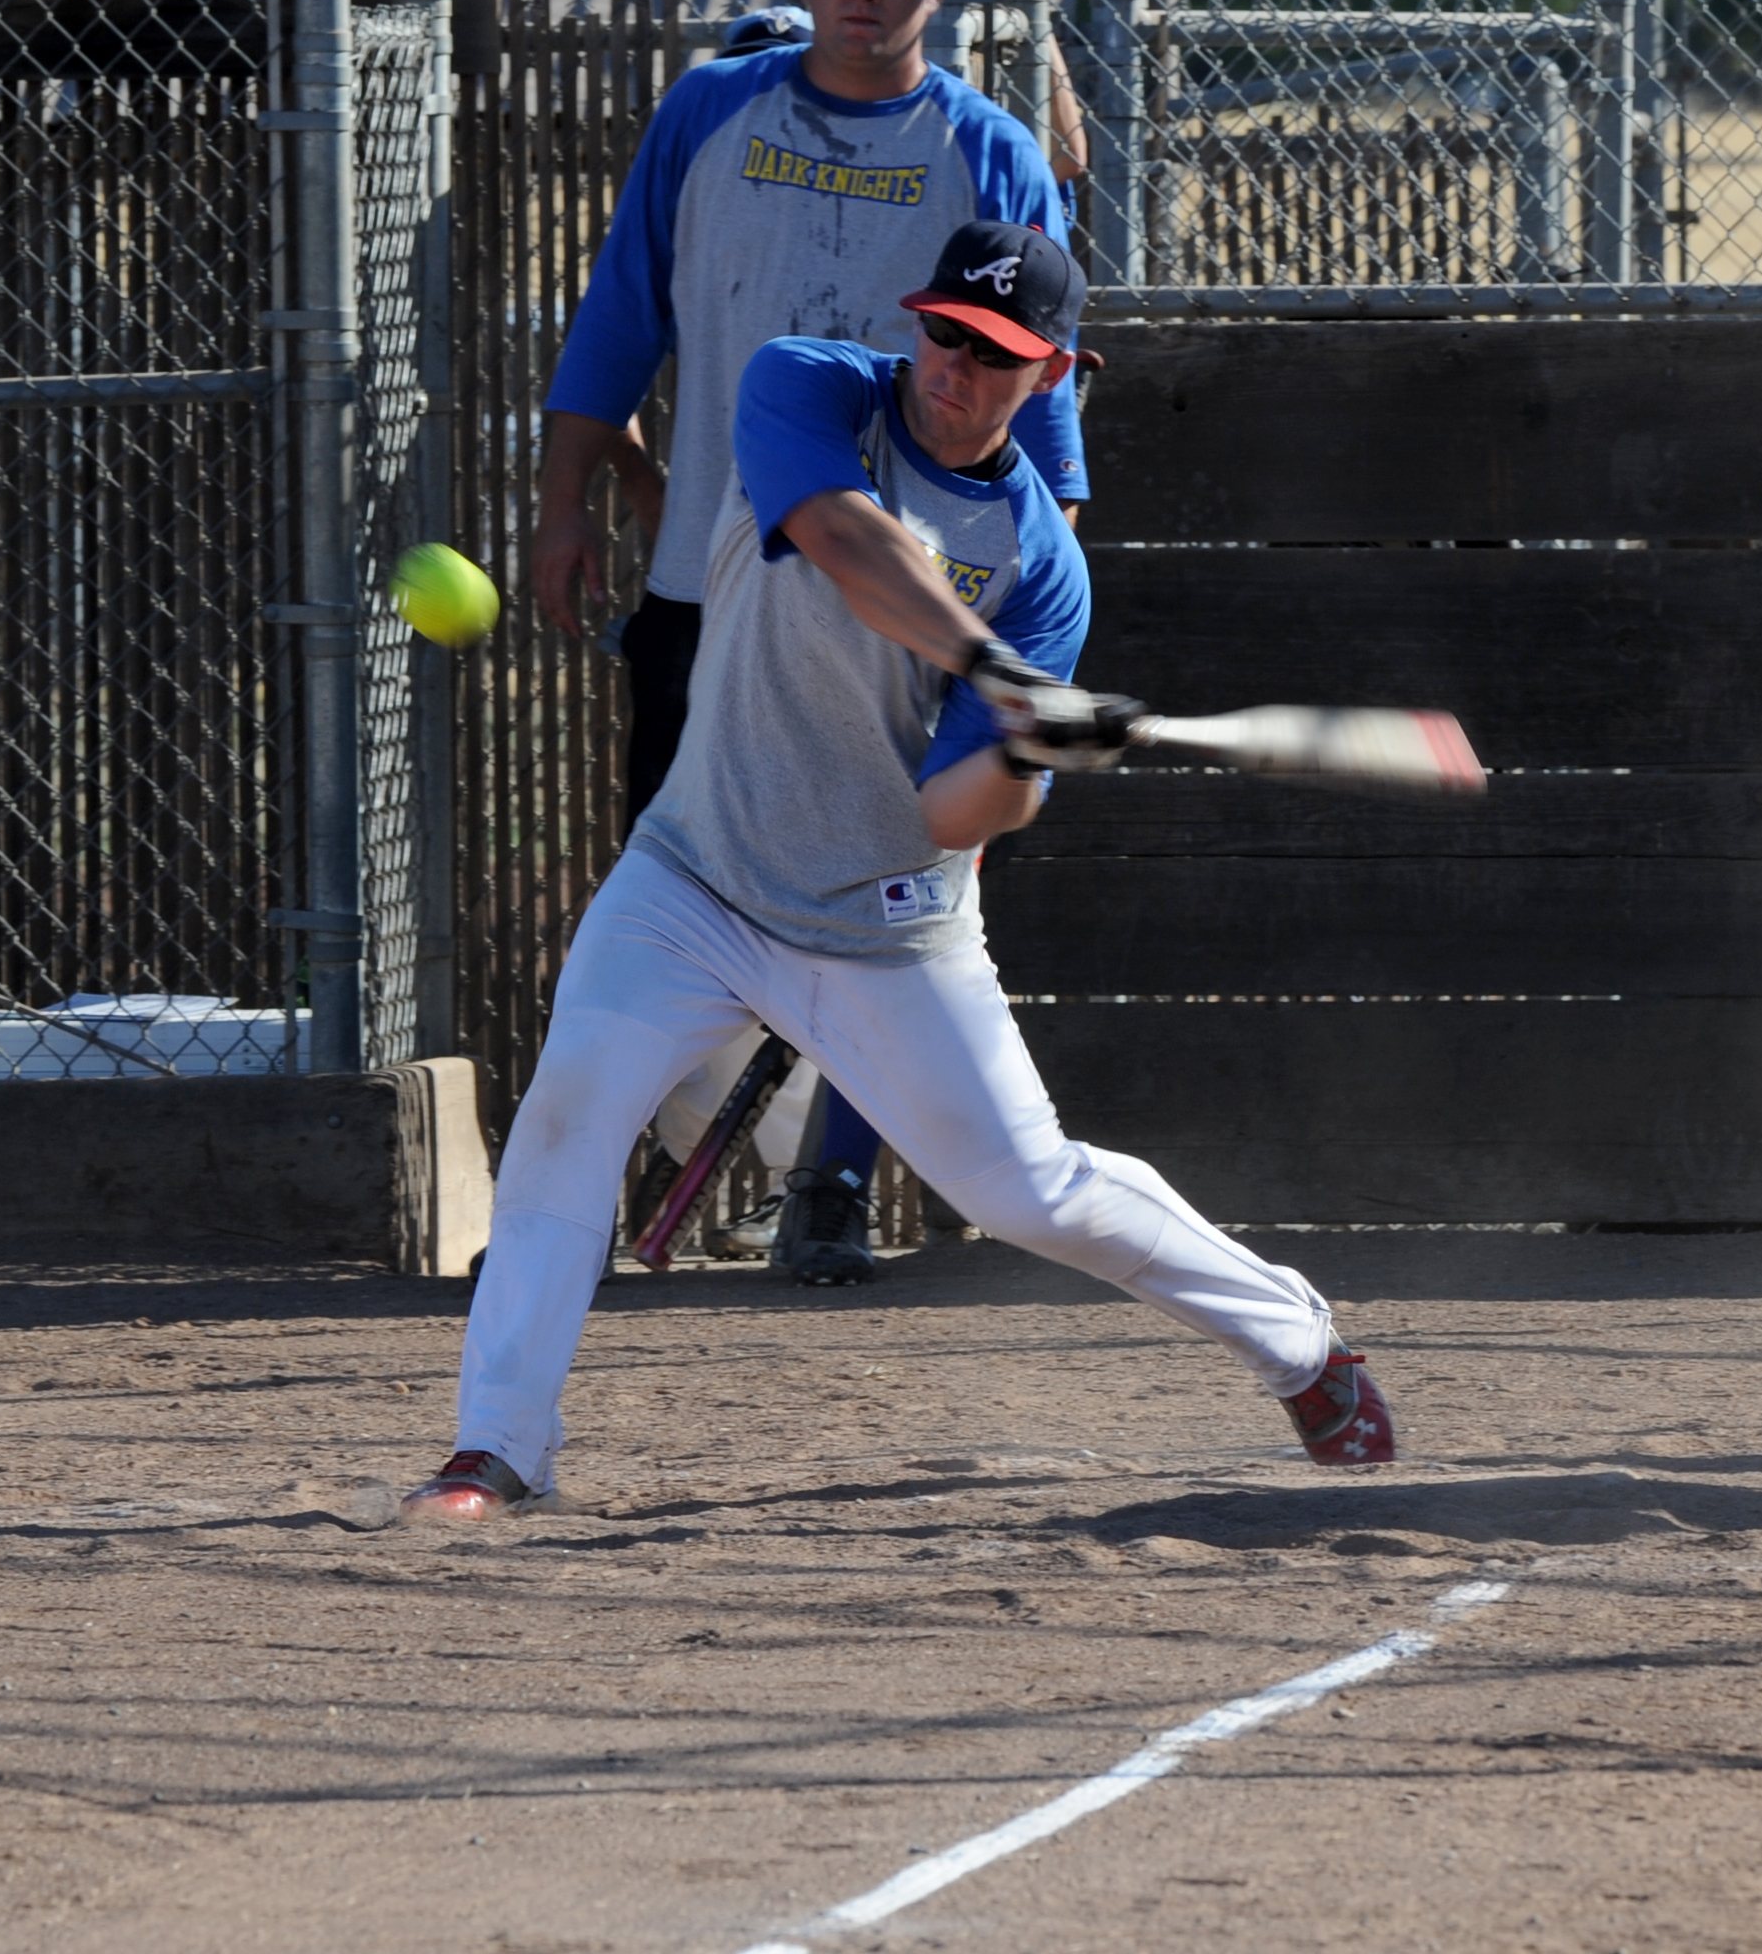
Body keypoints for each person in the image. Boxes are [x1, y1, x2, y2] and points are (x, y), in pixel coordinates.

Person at [400, 220, 1393, 1522]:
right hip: (694, 874)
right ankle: (498, 1449)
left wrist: (1033, 759)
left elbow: (947, 815)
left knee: (1026, 1191)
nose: (955, 368)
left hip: (880, 924)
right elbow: (842, 539)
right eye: (944, 332)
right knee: (568, 1115)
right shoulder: (803, 384)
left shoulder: (1043, 569)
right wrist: (994, 671)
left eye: (995, 354)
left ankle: (1303, 1350)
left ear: (1052, 374)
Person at [532, 0, 1084, 1286]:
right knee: (670, 888)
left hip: (910, 614)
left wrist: (1032, 626)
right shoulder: (712, 112)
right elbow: (618, 313)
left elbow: (1044, 402)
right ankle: (585, 1200)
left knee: (904, 883)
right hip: (708, 584)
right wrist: (563, 501)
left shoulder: (985, 145)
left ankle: (831, 1185)